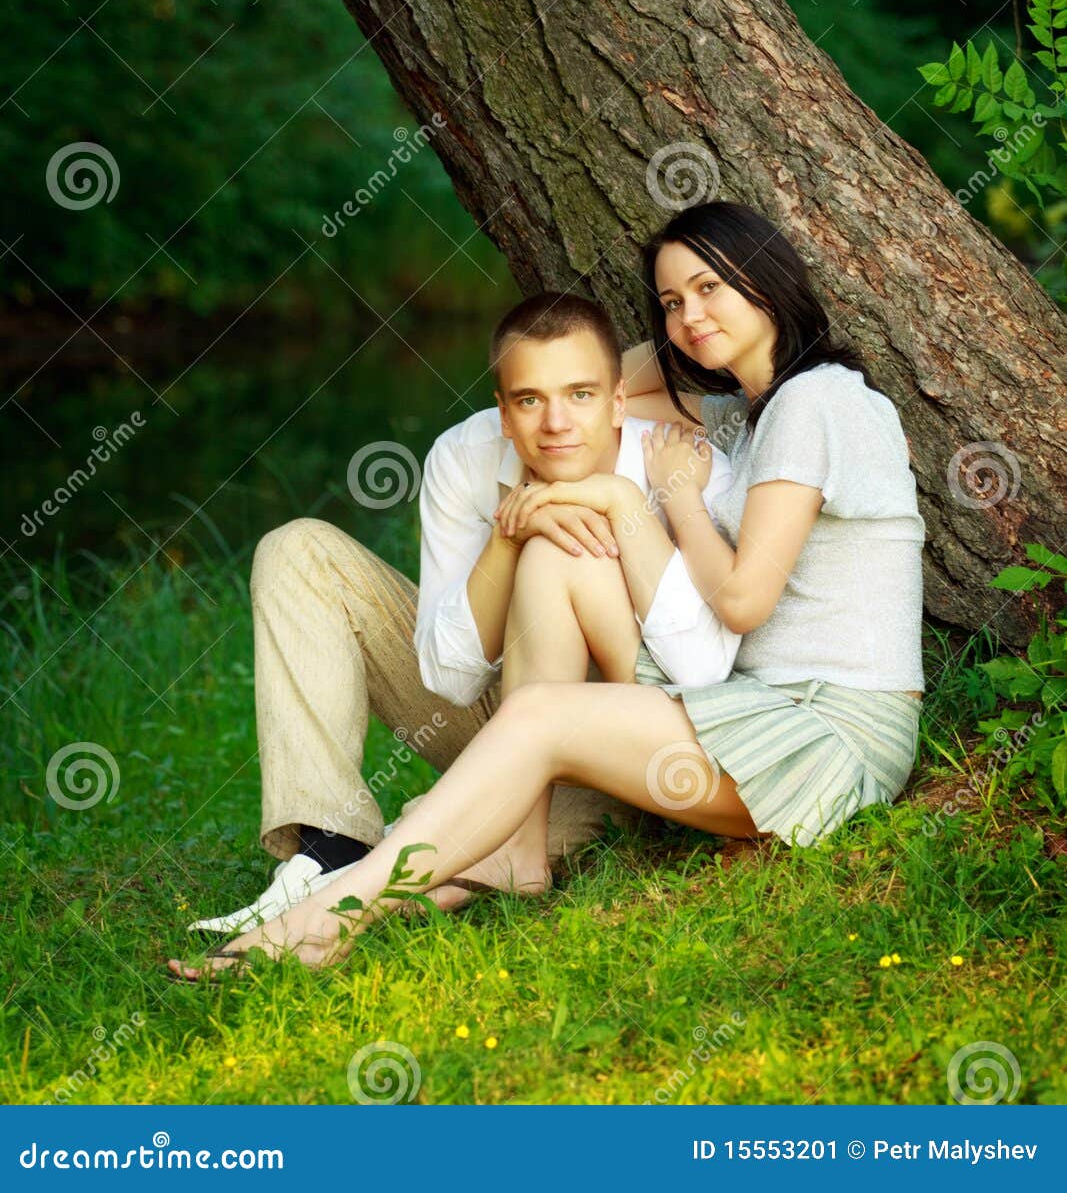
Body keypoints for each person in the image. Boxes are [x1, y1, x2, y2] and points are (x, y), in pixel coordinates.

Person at [171, 200, 924, 979]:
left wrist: (667, 499)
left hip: (825, 735)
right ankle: (472, 862)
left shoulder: (814, 401)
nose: (691, 317)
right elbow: (591, 374)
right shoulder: (742, 415)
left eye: (711, 288)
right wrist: (592, 413)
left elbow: (739, 603)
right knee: (557, 550)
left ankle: (325, 918)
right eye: (670, 302)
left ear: (767, 281)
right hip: (758, 712)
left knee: (539, 701)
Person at [187, 291, 735, 939]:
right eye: (530, 400)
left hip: (613, 747)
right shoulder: (463, 455)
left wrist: (613, 512)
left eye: (580, 396)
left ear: (617, 400)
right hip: (490, 708)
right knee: (297, 550)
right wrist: (508, 535)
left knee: (471, 842)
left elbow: (706, 681)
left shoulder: (682, 467)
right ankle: (329, 845)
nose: (556, 422)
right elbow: (448, 678)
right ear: (503, 412)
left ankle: (390, 863)